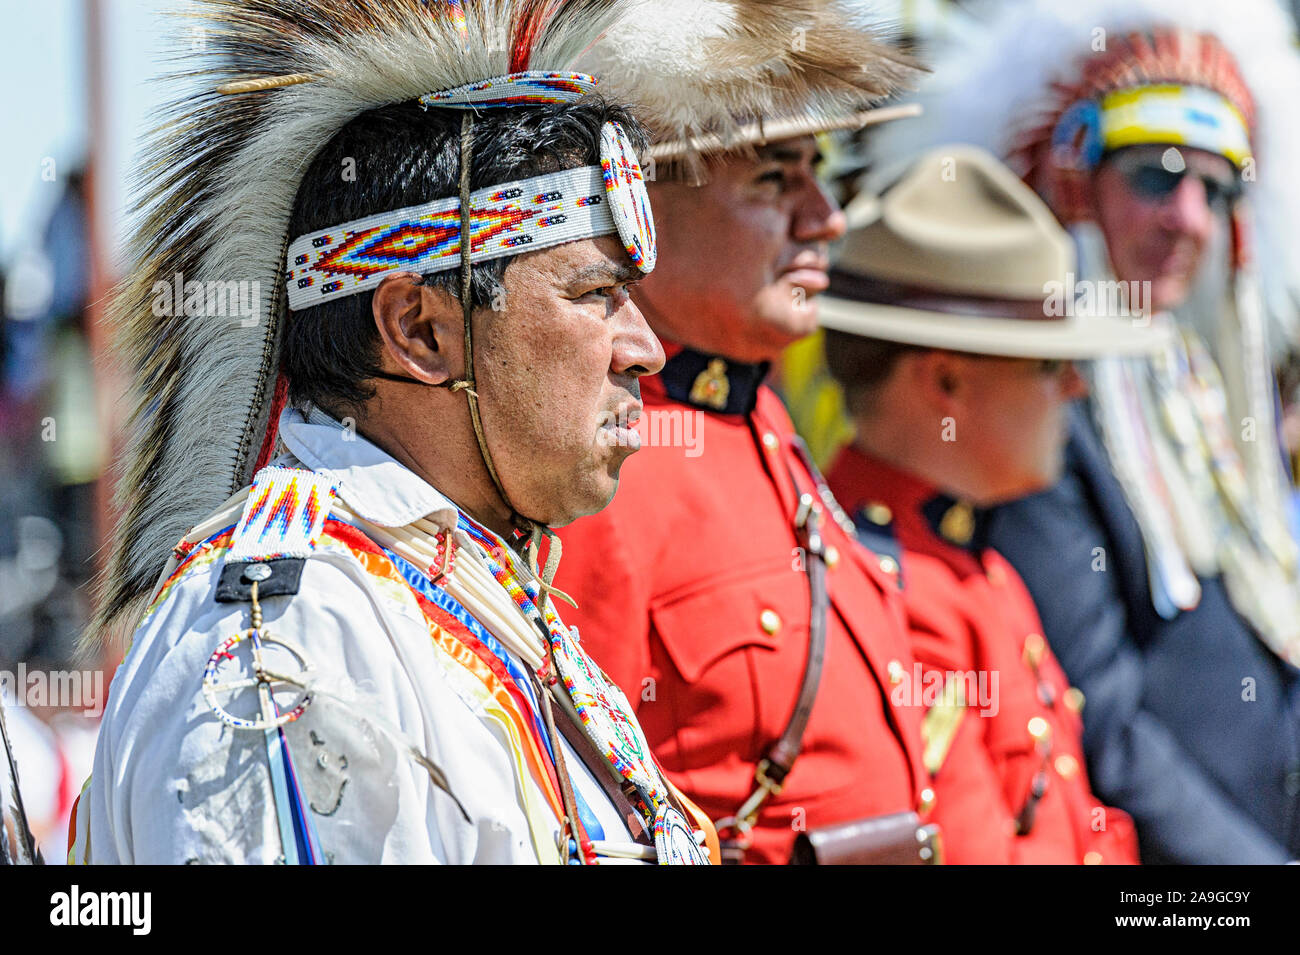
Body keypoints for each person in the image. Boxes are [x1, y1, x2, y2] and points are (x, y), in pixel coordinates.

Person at [71, 0, 717, 866]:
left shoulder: (467, 591)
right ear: (420, 330)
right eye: (596, 296)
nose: (645, 349)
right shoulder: (290, 631)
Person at [873, 0, 1300, 862]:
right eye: (1155, 174)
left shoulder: (1200, 376)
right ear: (1071, 181)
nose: (1188, 217)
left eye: (1216, 189)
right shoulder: (1042, 412)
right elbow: (1101, 720)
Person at [555, 1, 937, 864]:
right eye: (773, 178)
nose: (824, 217)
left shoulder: (756, 411)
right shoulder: (597, 463)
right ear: (637, 206)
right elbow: (581, 821)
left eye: (818, 170)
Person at [820, 145, 1160, 863]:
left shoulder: (961, 556)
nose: (1074, 387)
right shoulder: (895, 590)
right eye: (1047, 363)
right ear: (946, 384)